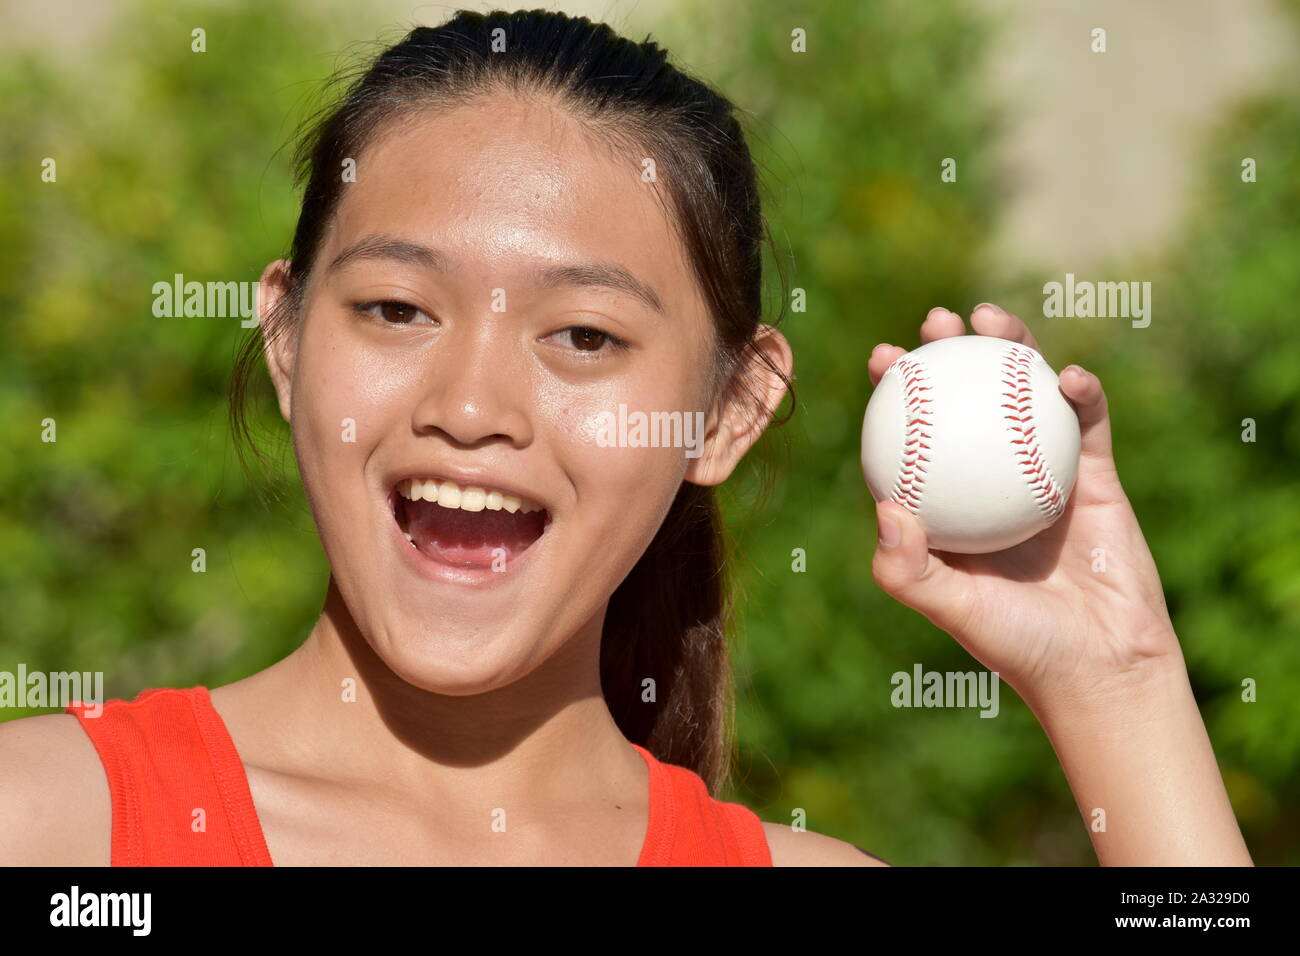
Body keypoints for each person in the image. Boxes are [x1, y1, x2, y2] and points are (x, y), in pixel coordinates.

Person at [0, 9, 1251, 866]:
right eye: (395, 308)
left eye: (584, 336)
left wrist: (1118, 686)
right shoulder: (50, 828)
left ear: (727, 411)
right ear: (283, 335)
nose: (472, 403)